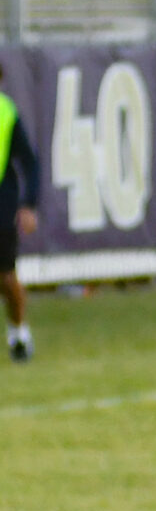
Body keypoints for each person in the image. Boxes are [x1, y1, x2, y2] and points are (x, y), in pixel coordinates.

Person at [0, 62, 44, 363]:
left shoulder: (6, 113)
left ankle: (19, 332)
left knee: (6, 278)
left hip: (1, 201)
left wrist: (29, 204)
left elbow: (29, 161)